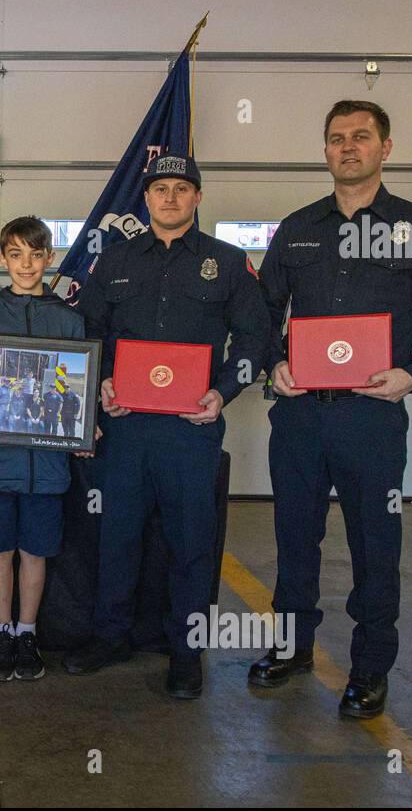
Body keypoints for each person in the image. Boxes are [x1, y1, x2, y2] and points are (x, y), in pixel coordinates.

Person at [251, 100, 412, 718]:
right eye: (336, 138)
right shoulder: (295, 229)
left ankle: (371, 667)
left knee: (376, 542)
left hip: (372, 416)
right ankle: (292, 648)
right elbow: (262, 313)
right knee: (295, 536)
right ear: (324, 150)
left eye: (360, 137)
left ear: (385, 147)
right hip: (299, 416)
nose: (347, 147)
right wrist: (274, 364)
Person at [69, 153, 269, 699]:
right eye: (161, 189)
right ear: (147, 198)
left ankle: (186, 652)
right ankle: (112, 637)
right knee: (118, 536)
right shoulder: (111, 262)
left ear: (197, 198)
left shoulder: (228, 263)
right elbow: (88, 331)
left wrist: (221, 392)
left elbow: (257, 342)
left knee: (191, 543)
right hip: (125, 425)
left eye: (183, 189)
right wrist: (103, 381)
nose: (171, 197)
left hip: (191, 428)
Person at [0, 216, 89, 681]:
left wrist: (86, 429)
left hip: (47, 462)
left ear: (49, 259)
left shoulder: (69, 322)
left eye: (35, 255)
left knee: (35, 552)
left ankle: (28, 631)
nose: (26, 265)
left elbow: (76, 387)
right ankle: (1, 631)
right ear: (4, 260)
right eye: (16, 255)